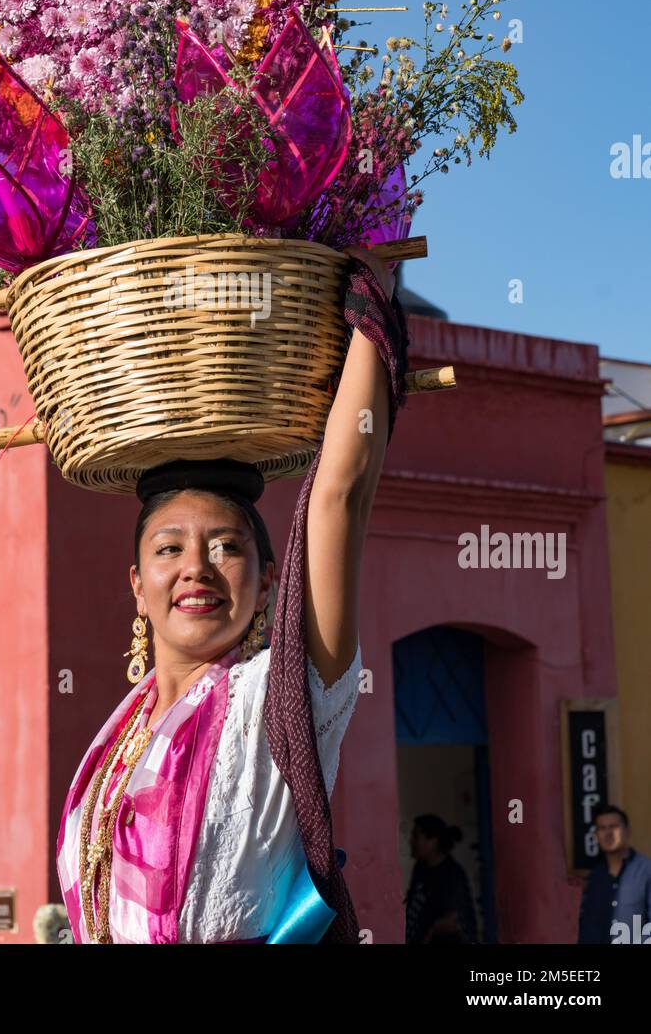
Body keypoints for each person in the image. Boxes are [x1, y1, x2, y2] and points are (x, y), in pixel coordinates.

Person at [55, 245, 410, 943]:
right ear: (136, 586)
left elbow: (339, 498)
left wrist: (370, 308)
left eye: (226, 546)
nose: (196, 567)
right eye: (168, 548)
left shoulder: (276, 699)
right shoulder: (117, 741)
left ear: (269, 579)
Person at [578, 804, 651, 944]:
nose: (608, 833)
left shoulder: (646, 870)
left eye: (614, 827)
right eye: (602, 828)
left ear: (627, 831)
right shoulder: (594, 877)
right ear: (596, 835)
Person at [404, 815, 479, 944]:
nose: (411, 841)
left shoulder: (453, 875)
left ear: (433, 841)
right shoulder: (420, 869)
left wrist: (432, 930)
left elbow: (455, 921)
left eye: (416, 837)